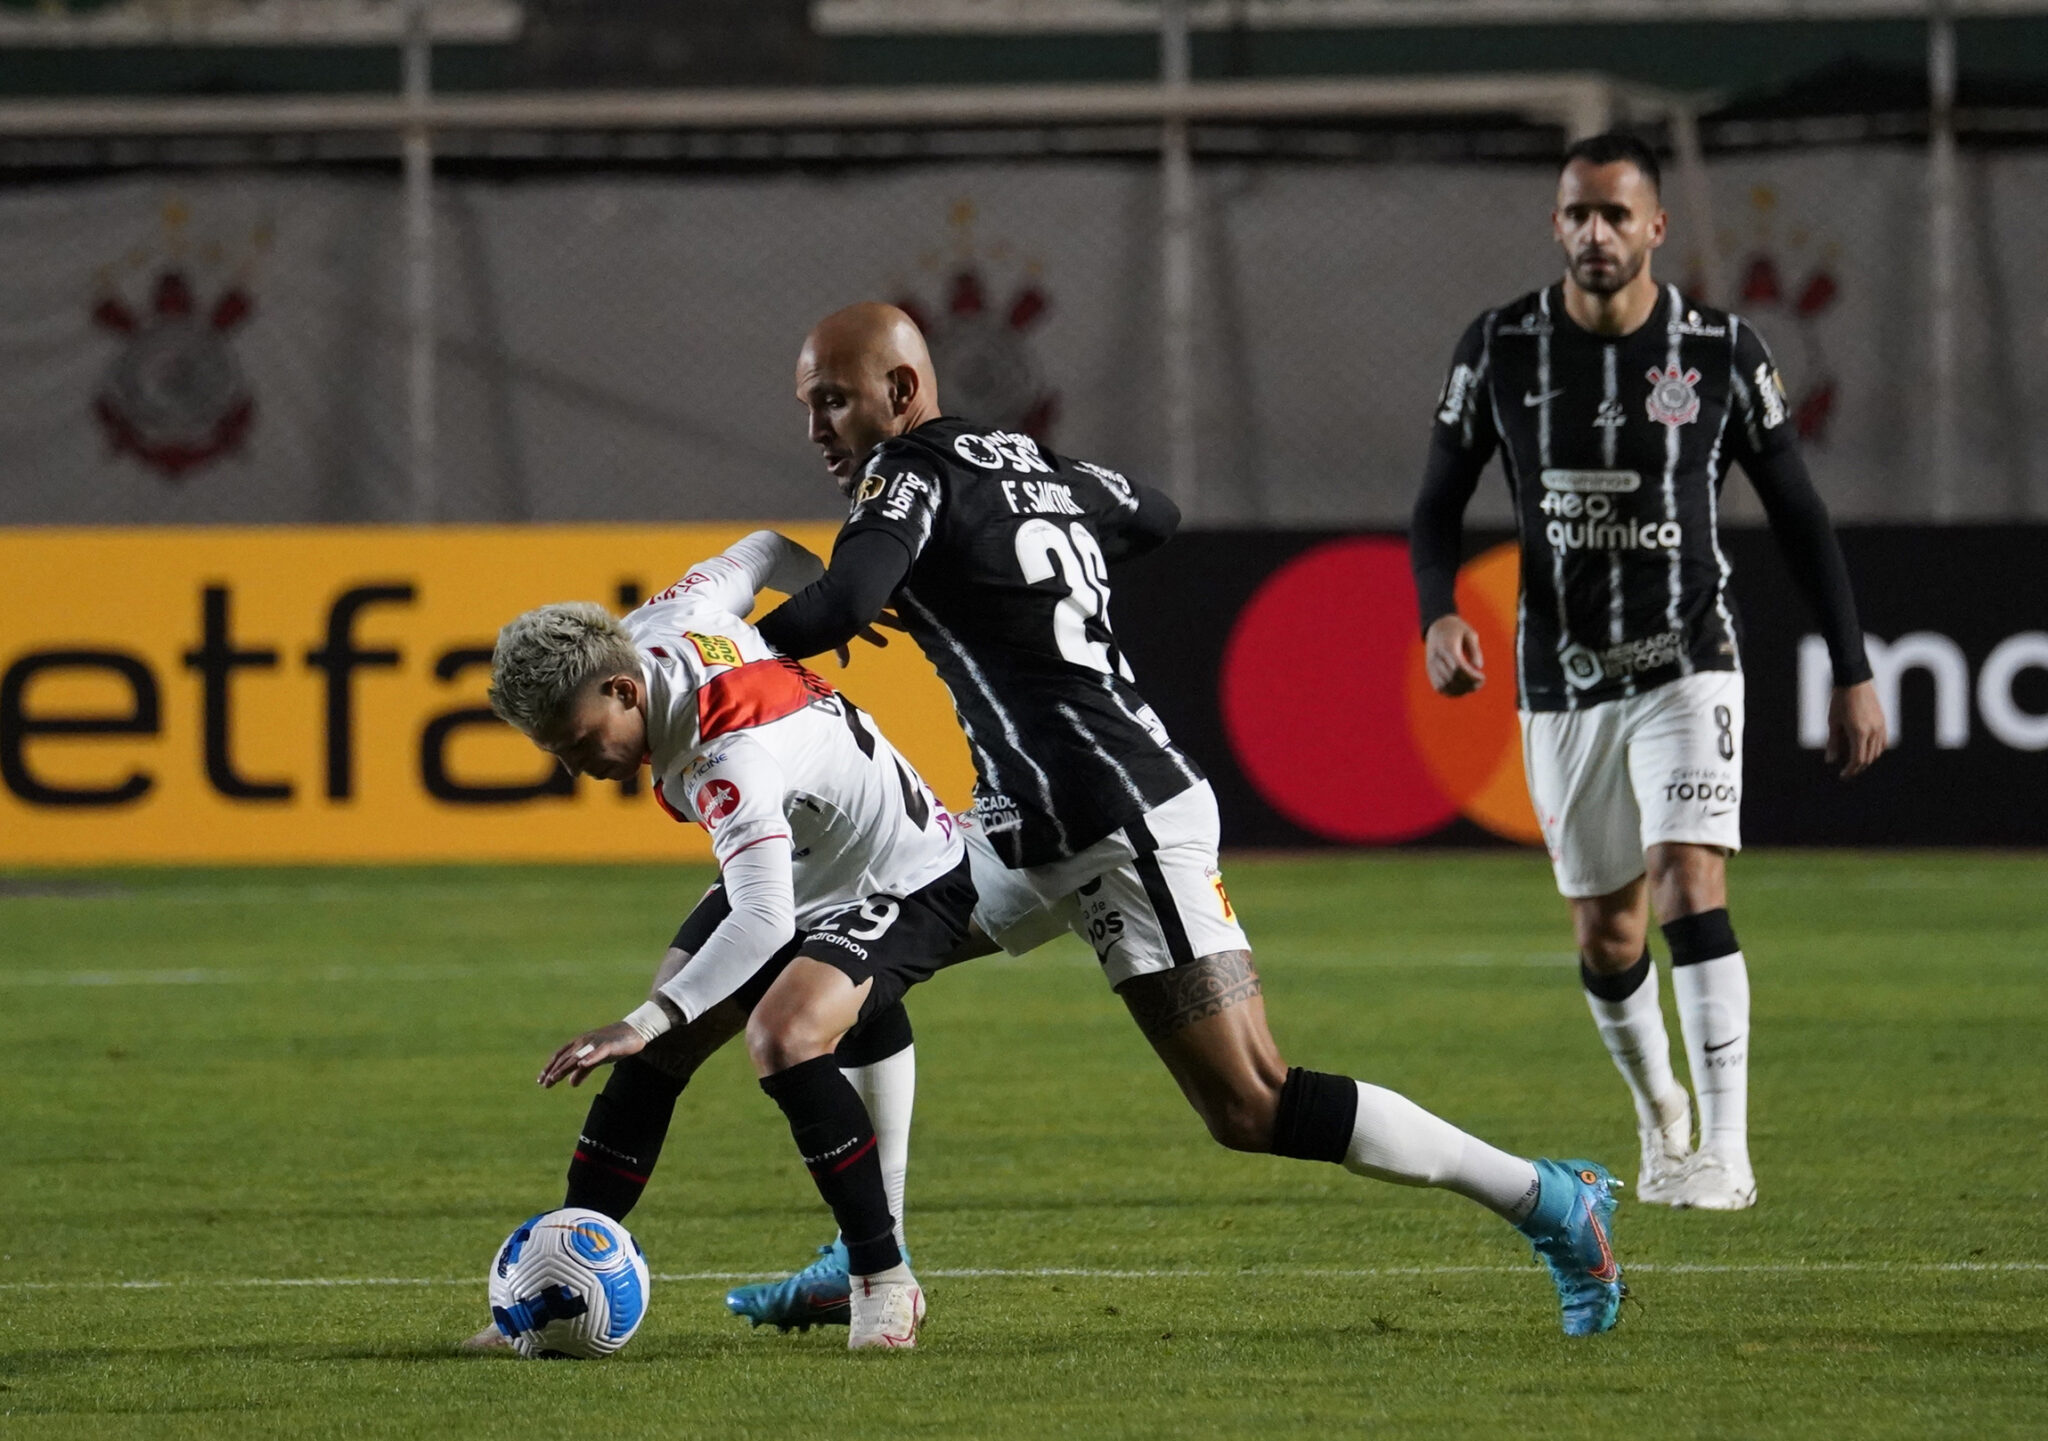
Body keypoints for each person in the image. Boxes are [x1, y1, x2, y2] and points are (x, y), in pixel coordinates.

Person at [720, 301, 1627, 1338]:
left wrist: (726, 656)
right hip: (1019, 831)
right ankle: (864, 1248)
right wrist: (1037, 513)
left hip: (1119, 824)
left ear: (900, 390)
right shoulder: (1017, 459)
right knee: (832, 968)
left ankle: (1550, 1200)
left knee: (1251, 1102)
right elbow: (1151, 512)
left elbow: (841, 605)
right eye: (806, 407)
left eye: (833, 401)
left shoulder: (909, 473)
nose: (817, 430)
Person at [1408, 133, 1887, 1213]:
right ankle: (1660, 1110)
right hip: (1562, 677)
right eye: (1576, 214)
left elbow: (1799, 515)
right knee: (1605, 929)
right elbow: (1435, 507)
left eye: (1615, 216)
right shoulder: (1498, 347)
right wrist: (1436, 613)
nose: (1594, 234)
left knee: (1687, 880)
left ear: (1654, 228)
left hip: (1688, 658)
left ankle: (1725, 1149)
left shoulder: (1720, 350)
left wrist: (1851, 667)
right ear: (1555, 225)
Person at [475, 529, 973, 1351]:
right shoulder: (670, 613)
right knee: (656, 1054)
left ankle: (884, 1280)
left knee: (781, 1036)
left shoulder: (722, 755)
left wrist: (641, 1016)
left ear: (624, 691)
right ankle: (554, 1287)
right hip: (803, 857)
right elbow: (768, 548)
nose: (575, 766)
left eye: (576, 741)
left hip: (901, 875)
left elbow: (765, 921)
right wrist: (833, 602)